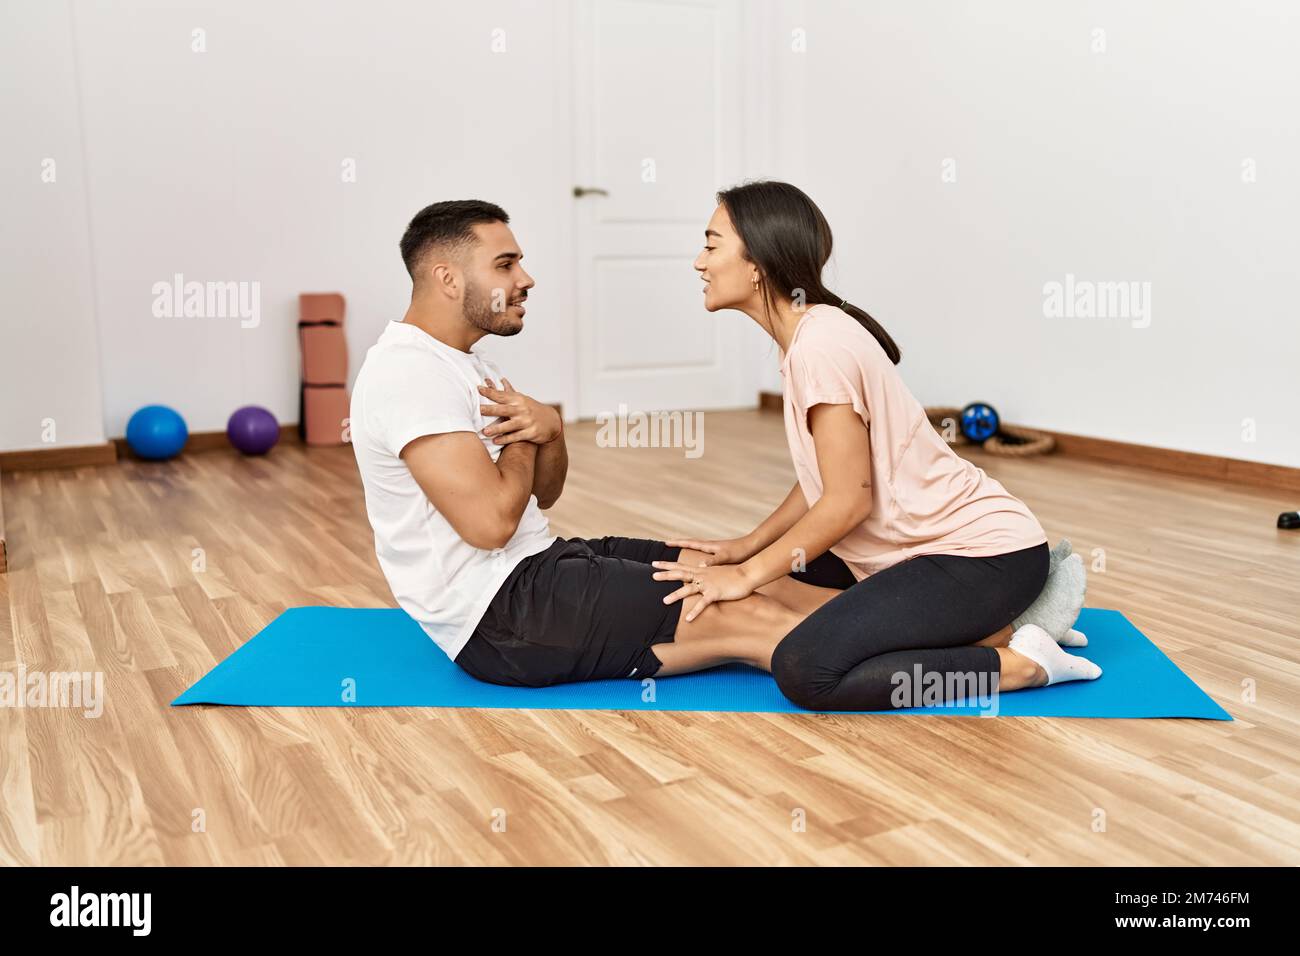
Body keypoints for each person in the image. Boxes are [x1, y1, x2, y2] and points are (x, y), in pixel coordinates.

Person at [650, 181, 1100, 711]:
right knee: (769, 589)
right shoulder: (807, 335)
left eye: (711, 244)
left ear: (758, 264)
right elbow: (826, 475)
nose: (698, 262)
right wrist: (747, 547)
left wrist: (747, 571)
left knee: (807, 669)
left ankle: (1025, 663)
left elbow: (847, 501)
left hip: (982, 557)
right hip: (917, 554)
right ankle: (1004, 625)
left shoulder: (819, 347)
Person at [349, 199, 813, 687]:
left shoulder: (466, 363)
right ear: (448, 279)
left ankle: (890, 619)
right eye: (505, 265)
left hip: (543, 563)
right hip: (504, 615)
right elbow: (491, 526)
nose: (525, 279)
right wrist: (528, 435)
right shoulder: (409, 373)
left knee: (746, 574)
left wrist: (550, 430)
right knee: (754, 615)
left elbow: (542, 495)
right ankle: (895, 664)